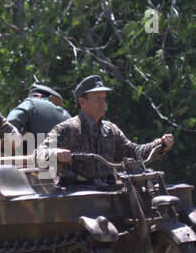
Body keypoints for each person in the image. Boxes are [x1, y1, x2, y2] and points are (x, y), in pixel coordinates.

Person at [41, 75, 174, 184]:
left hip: (108, 194)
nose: (103, 103)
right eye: (98, 99)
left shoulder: (110, 130)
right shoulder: (67, 129)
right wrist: (54, 153)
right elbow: (39, 154)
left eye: (104, 99)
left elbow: (133, 152)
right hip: (78, 199)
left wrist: (159, 144)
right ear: (82, 102)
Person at [6, 83, 71, 139]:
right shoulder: (67, 115)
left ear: (38, 96)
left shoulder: (31, 102)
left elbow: (11, 122)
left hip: (33, 152)